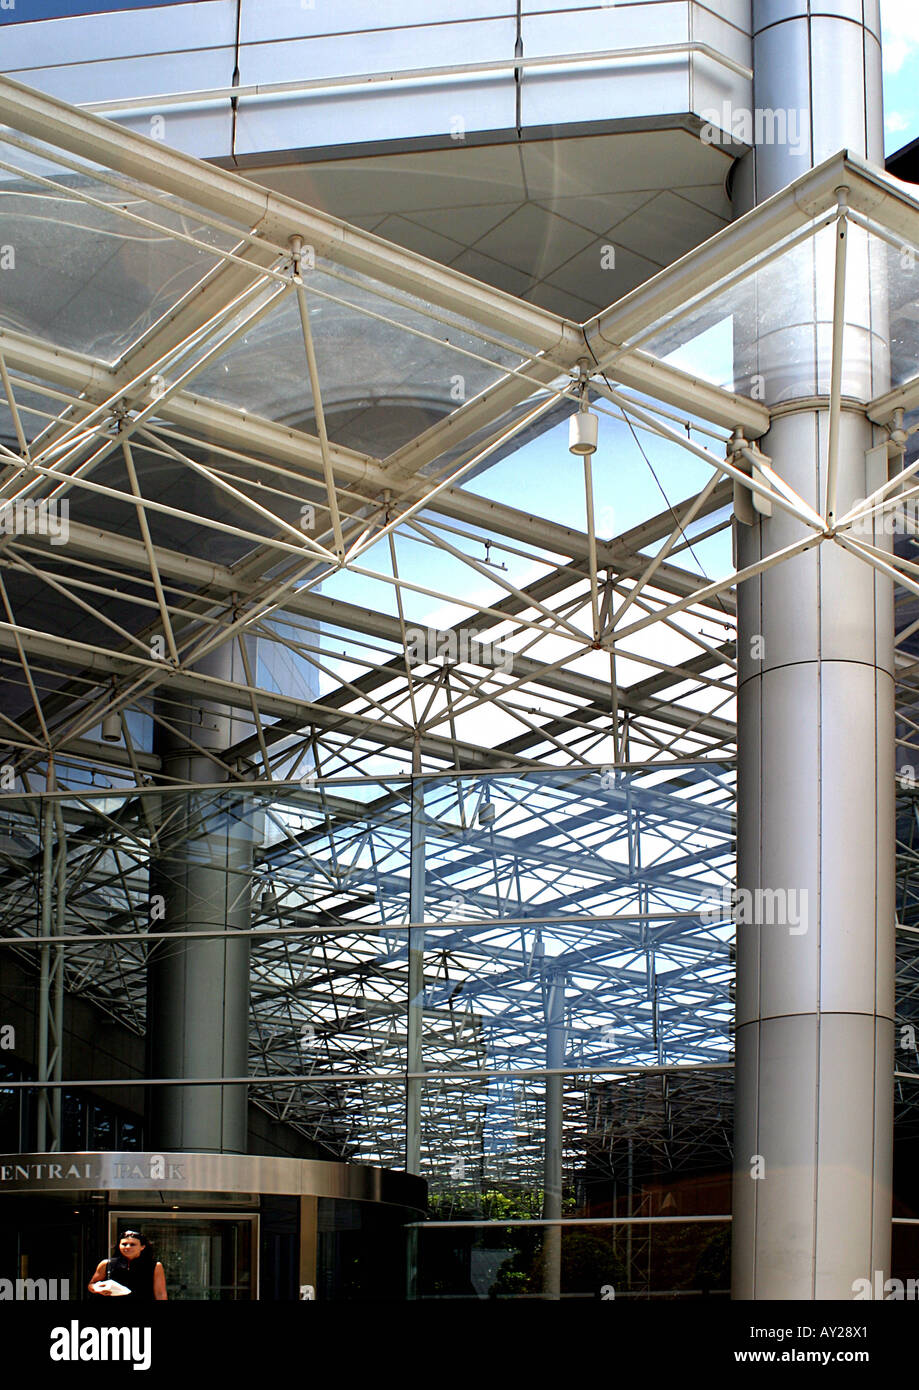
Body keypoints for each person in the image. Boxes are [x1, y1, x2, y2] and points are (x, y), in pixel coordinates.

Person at [88, 1229, 167, 1301]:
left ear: (142, 1247)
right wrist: (98, 1289)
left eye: (132, 1244)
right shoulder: (107, 1263)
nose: (127, 1247)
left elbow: (160, 1293)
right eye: (124, 1244)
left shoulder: (154, 1265)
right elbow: (91, 1285)